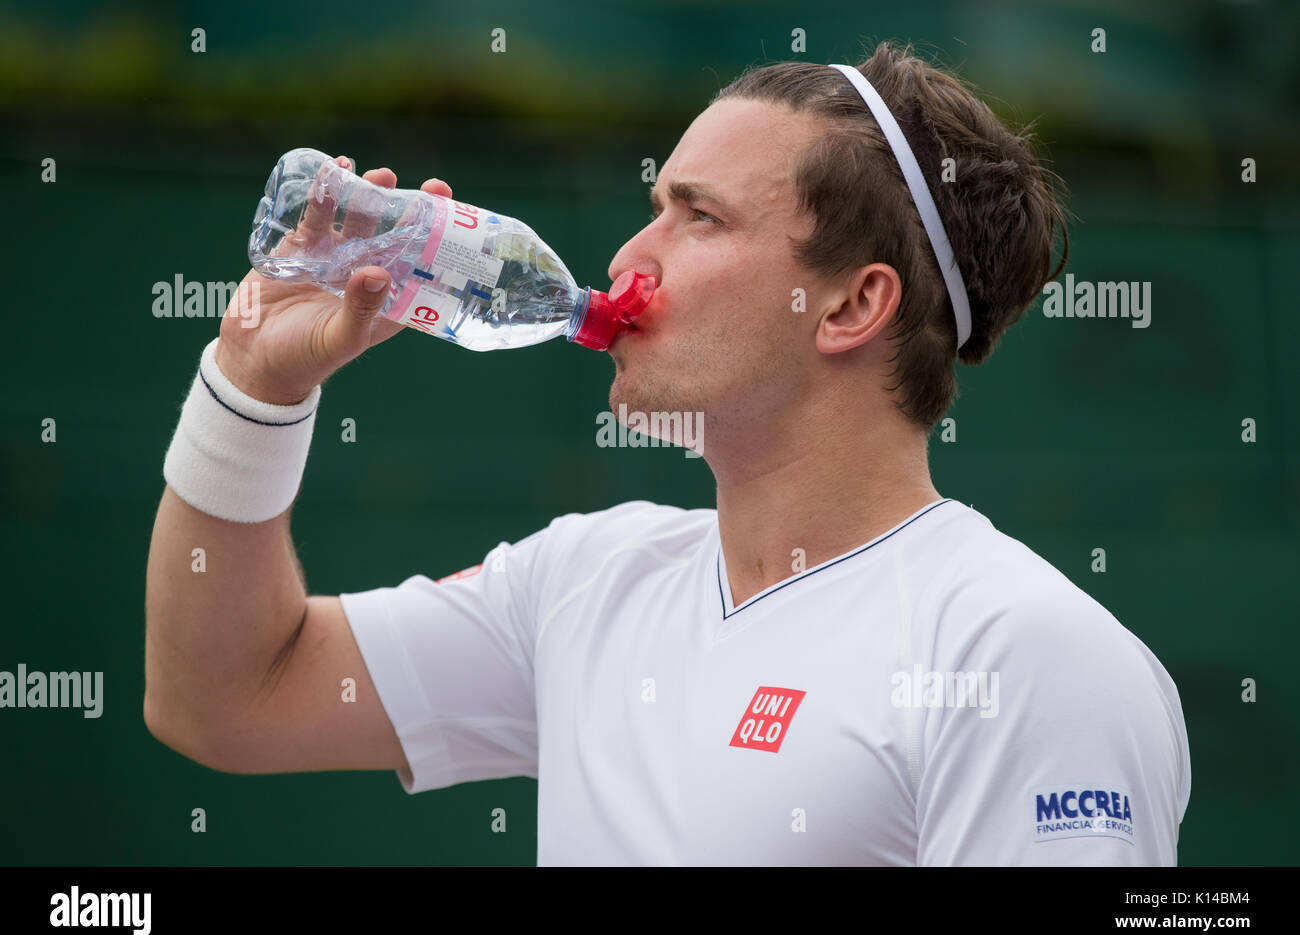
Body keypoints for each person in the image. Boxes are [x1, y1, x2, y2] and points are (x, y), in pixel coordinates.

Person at [145, 40, 1190, 865]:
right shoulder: (584, 582)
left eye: (697, 216)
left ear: (852, 302)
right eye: (656, 207)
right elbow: (225, 697)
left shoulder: (1023, 654)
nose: (626, 259)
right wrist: (254, 388)